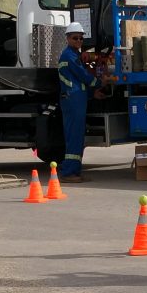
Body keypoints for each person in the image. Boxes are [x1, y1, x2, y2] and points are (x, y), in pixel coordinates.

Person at [57, 24, 98, 179]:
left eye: (81, 38)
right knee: (74, 136)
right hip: (73, 101)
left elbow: (77, 83)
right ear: (67, 38)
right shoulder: (69, 56)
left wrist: (93, 94)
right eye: (75, 38)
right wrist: (101, 82)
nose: (79, 40)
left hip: (77, 99)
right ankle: (69, 172)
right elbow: (83, 77)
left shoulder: (74, 56)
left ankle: (74, 170)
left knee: (77, 136)